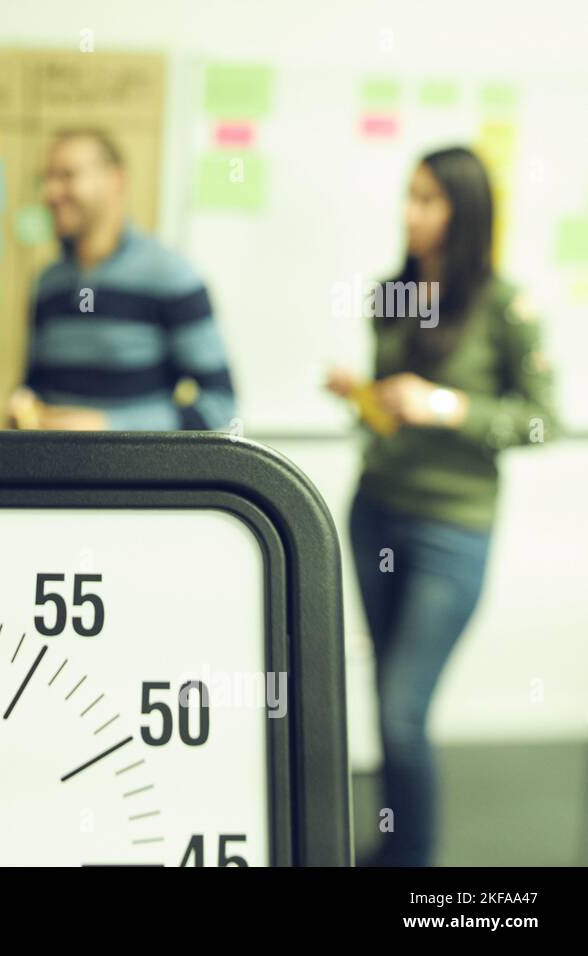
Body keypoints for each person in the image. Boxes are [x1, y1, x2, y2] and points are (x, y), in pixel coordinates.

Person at [326, 146, 558, 867]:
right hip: (376, 511)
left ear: (465, 213)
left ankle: (414, 864)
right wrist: (367, 399)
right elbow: (388, 416)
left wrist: (447, 406)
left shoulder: (504, 307)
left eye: (428, 200)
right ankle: (393, 847)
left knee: (403, 710)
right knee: (383, 699)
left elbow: (542, 421)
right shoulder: (390, 295)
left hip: (451, 530)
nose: (410, 213)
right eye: (409, 195)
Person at [8, 129, 236, 431]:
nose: (51, 193)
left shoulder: (170, 275)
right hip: (50, 462)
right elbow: (33, 388)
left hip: (132, 464)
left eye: (66, 176)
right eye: (46, 179)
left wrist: (109, 427)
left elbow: (219, 407)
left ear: (115, 180)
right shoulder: (48, 283)